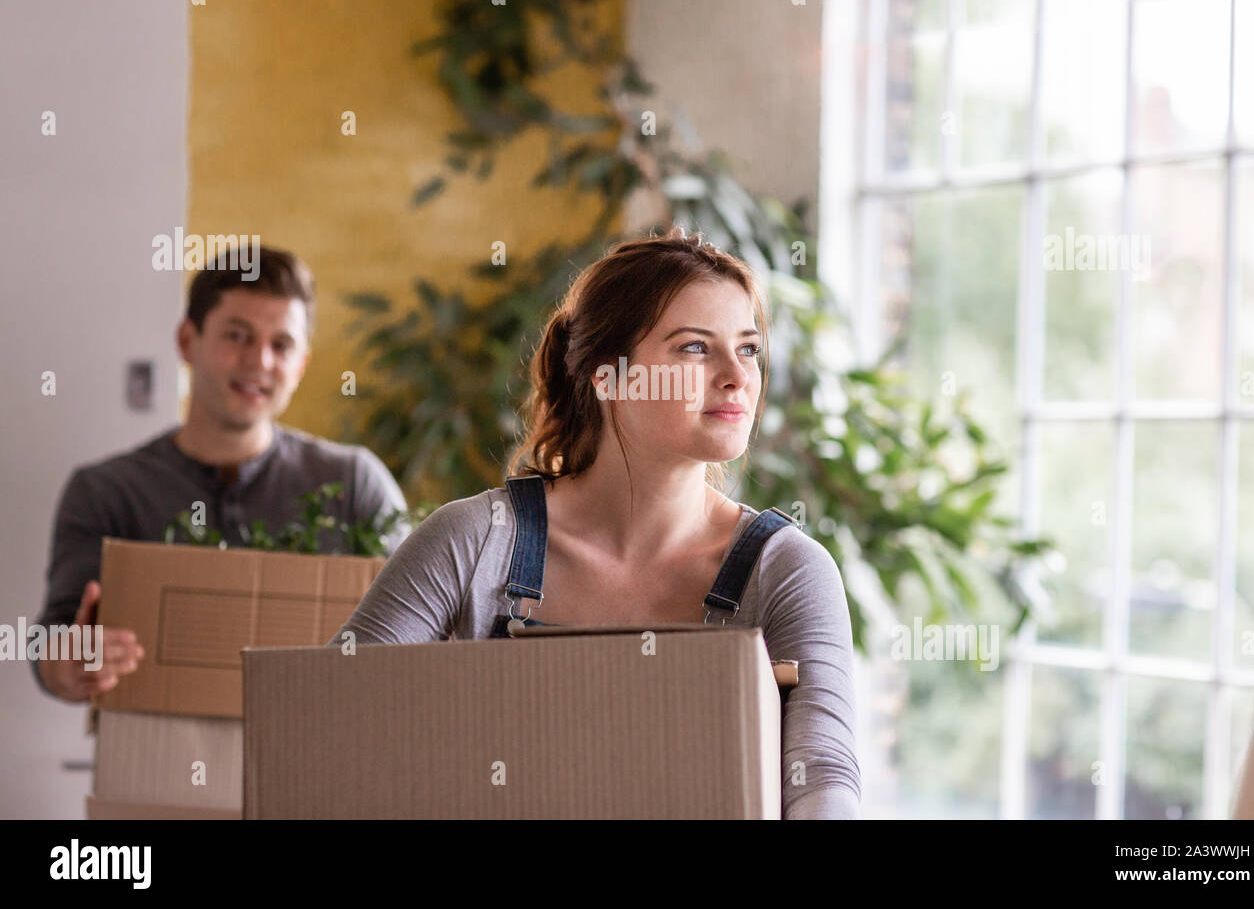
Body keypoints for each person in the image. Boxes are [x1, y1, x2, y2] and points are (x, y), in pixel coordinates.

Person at [330, 229, 861, 819]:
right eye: (693, 348)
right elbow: (332, 723)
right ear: (607, 377)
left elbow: (822, 777)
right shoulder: (474, 540)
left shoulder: (786, 569)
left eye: (749, 349)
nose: (737, 376)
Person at [32, 246, 411, 702]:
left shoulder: (354, 484)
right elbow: (52, 641)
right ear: (187, 341)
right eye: (238, 335)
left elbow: (412, 636)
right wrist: (69, 665)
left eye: (281, 345)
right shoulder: (107, 491)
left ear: (301, 364)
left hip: (319, 757)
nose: (259, 363)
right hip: (154, 761)